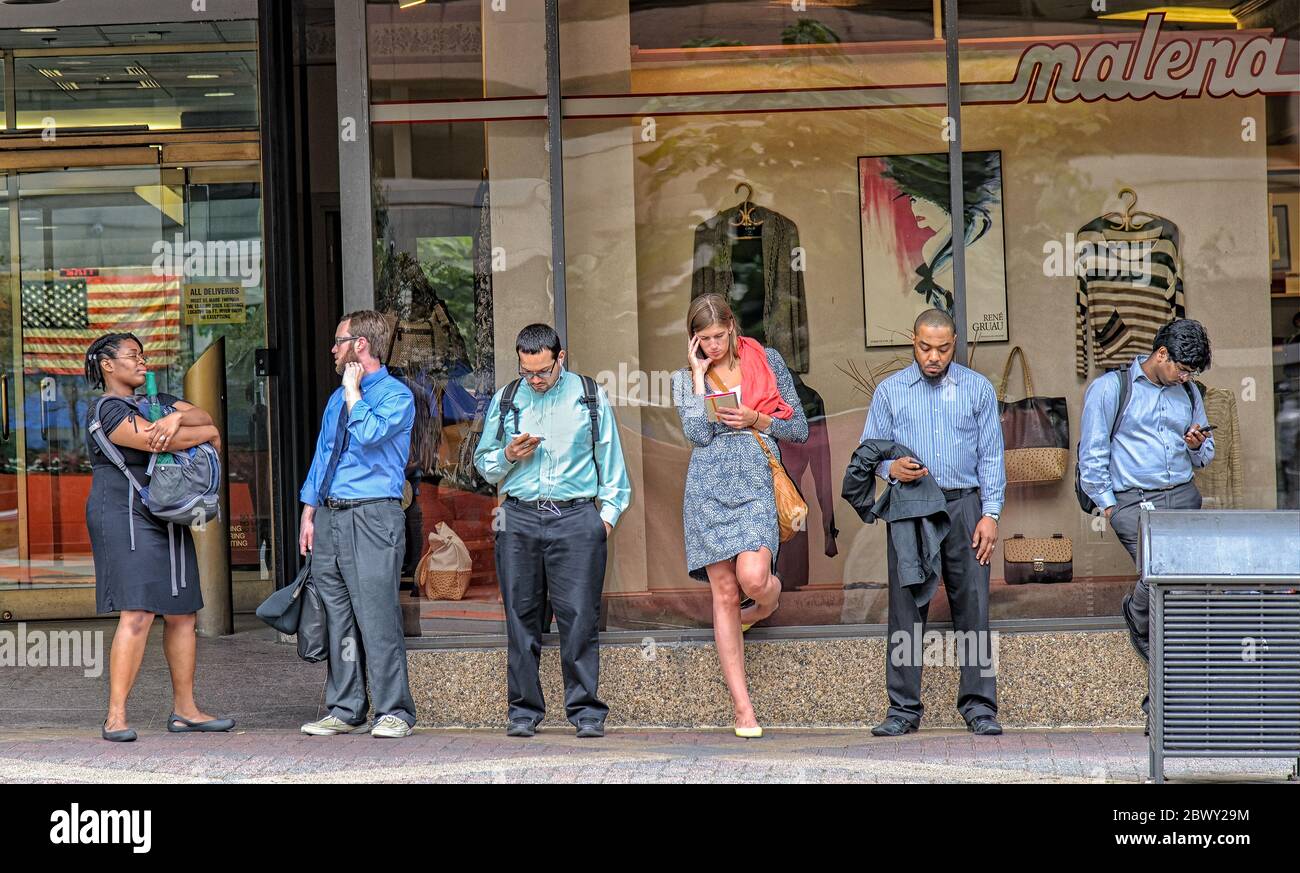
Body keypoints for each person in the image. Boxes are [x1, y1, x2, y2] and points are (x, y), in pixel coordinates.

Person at [474, 324, 631, 739]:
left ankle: (586, 713)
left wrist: (604, 522)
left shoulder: (589, 395)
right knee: (521, 618)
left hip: (576, 517)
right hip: (519, 518)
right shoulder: (506, 399)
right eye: (528, 372)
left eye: (543, 371)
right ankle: (523, 712)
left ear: (561, 358)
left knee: (580, 618)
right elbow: (483, 462)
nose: (535, 380)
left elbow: (612, 465)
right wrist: (508, 454)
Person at [860, 308, 1006, 737]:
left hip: (965, 507)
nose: (933, 357)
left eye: (942, 349)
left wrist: (991, 515)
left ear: (955, 343)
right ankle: (903, 710)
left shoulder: (977, 389)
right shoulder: (889, 392)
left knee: (973, 607)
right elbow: (870, 452)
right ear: (913, 340)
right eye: (925, 347)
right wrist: (890, 470)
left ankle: (980, 707)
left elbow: (992, 457)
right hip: (911, 507)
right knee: (906, 611)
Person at [84, 333, 233, 742]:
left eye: (143, 355)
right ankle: (116, 716)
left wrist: (176, 420)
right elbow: (153, 440)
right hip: (123, 514)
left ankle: (186, 710)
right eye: (132, 356)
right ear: (107, 365)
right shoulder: (106, 408)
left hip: (168, 511)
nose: (142, 361)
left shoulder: (161, 400)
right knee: (138, 613)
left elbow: (204, 416)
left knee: (184, 612)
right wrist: (198, 433)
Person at [672, 294, 808, 738]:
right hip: (707, 492)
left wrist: (756, 418)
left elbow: (799, 427)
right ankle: (743, 708)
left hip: (755, 485)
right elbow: (696, 434)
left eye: (717, 336)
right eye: (702, 339)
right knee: (725, 593)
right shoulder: (686, 377)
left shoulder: (766, 360)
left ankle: (769, 599)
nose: (712, 346)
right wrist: (696, 377)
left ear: (732, 326)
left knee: (753, 579)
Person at [298, 310, 418, 739]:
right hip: (331, 514)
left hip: (372, 515)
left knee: (377, 614)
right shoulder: (336, 399)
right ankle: (346, 708)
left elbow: (368, 434)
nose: (333, 348)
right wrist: (309, 511)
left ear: (360, 345)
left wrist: (353, 391)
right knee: (338, 615)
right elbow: (324, 455)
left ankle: (395, 711)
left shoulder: (396, 396)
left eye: (339, 340)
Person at [1078, 319, 1214, 672]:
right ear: (1162, 353)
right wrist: (1109, 506)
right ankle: (1166, 664)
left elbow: (1206, 452)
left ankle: (1147, 627)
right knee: (1165, 573)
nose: (1186, 377)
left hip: (1183, 495)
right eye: (1182, 369)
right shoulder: (1111, 388)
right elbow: (1092, 453)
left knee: (1186, 579)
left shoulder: (1188, 391)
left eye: (1191, 372)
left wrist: (1196, 445)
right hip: (1134, 501)